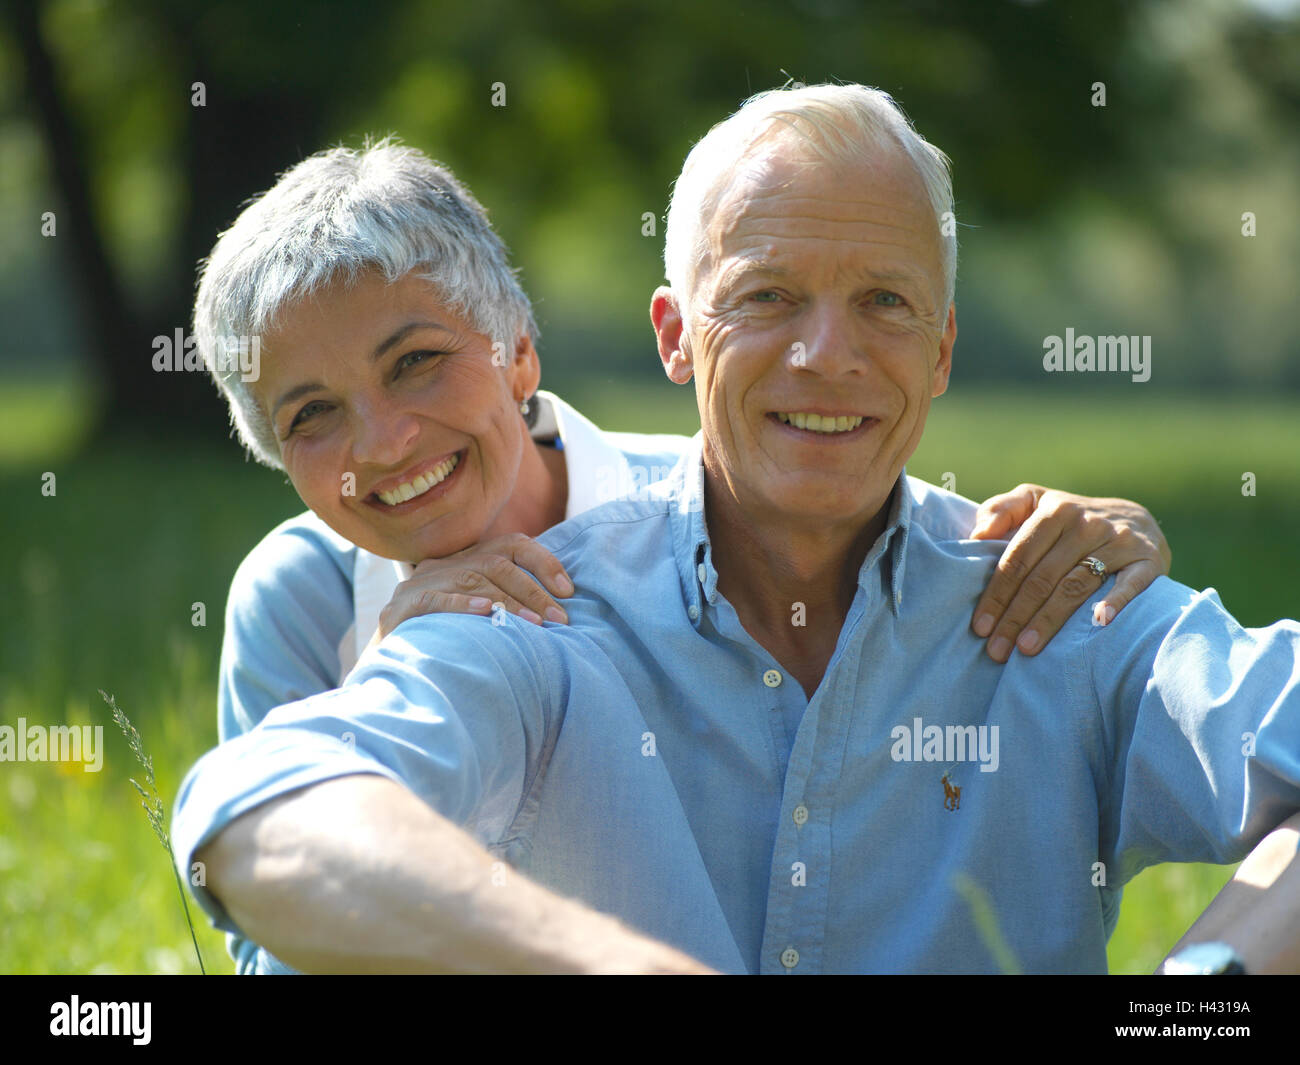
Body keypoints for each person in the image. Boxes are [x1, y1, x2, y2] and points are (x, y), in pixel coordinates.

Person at [174, 89, 1297, 973]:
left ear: (942, 350)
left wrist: (1207, 990)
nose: (825, 357)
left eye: (885, 304)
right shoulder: (531, 616)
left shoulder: (1056, 603)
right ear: (676, 338)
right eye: (764, 297)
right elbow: (261, 817)